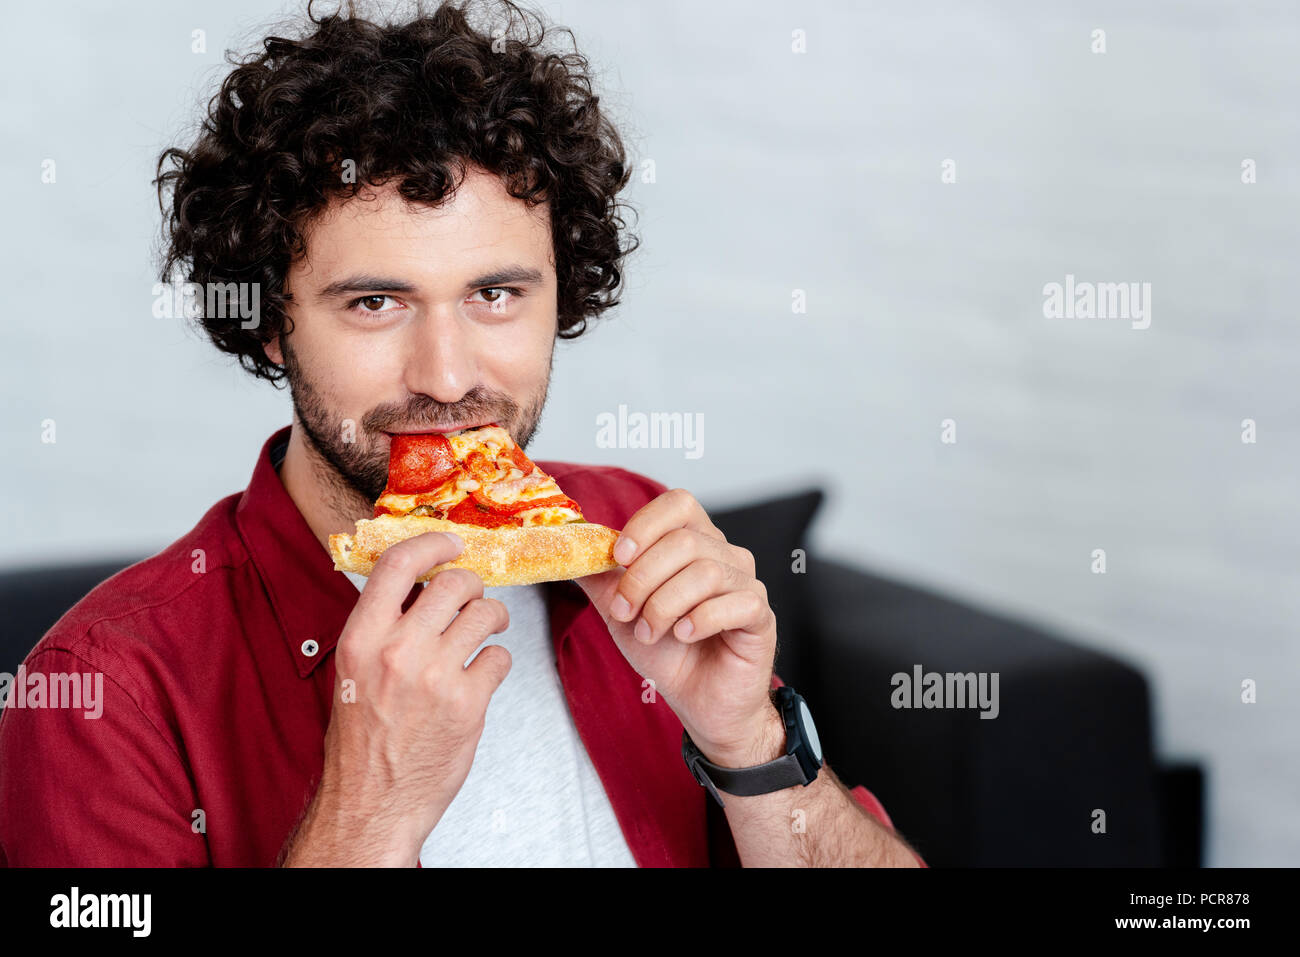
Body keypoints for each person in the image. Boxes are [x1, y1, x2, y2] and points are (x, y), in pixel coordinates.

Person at [0, 0, 923, 867]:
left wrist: (749, 744)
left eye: (495, 294)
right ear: (272, 321)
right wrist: (369, 812)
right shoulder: (101, 696)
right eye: (374, 302)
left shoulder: (630, 532)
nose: (447, 378)